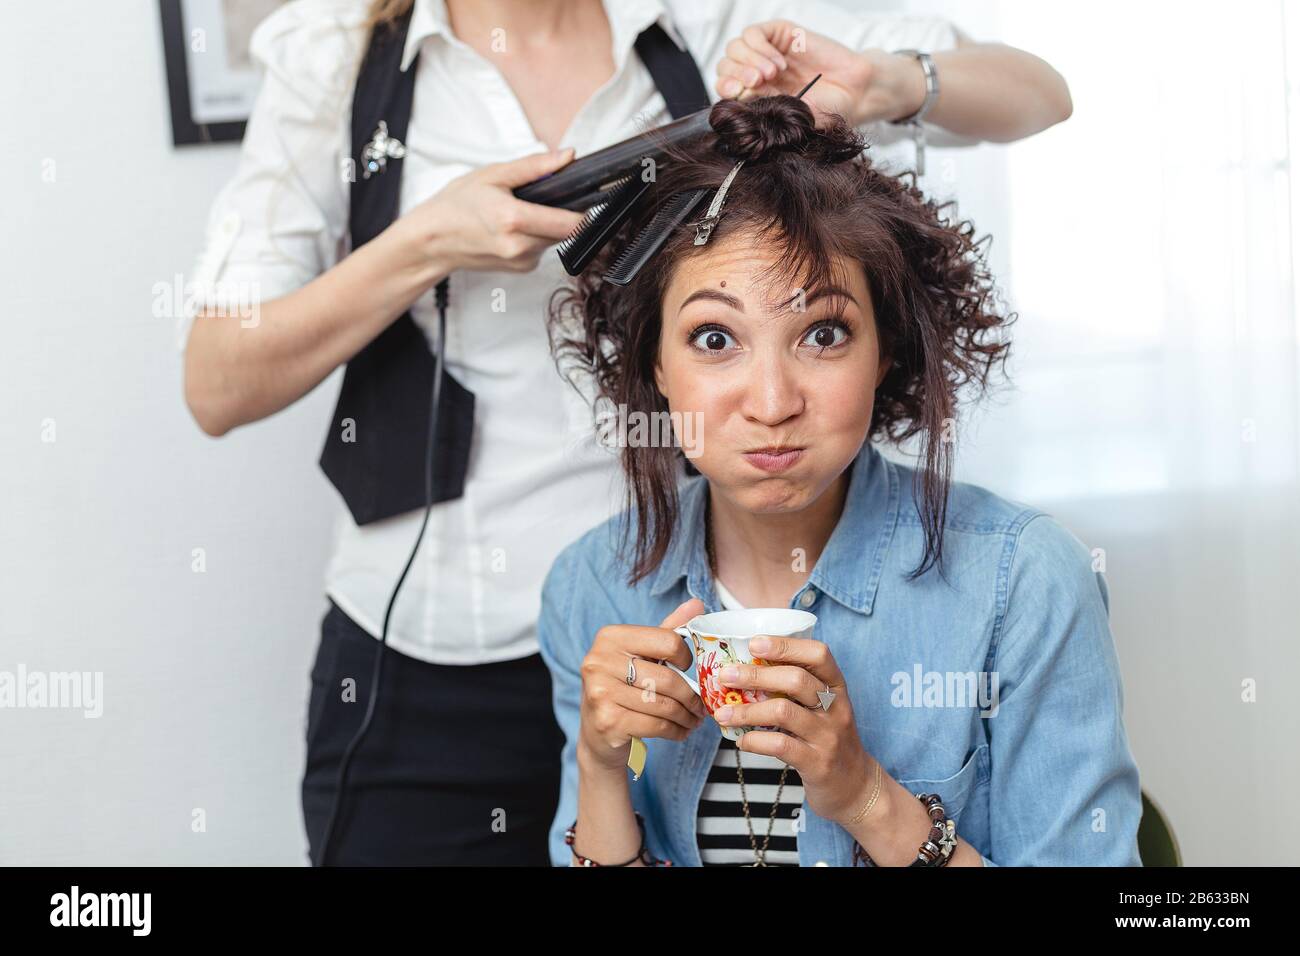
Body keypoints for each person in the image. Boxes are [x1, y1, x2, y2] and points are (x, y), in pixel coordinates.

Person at [179, 0, 1074, 865]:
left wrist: (877, 82)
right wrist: (426, 243)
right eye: (716, 339)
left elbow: (1038, 91)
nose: (771, 398)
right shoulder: (334, 55)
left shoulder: (711, 23)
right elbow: (218, 379)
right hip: (438, 655)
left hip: (677, 610)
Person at [538, 94, 1141, 867]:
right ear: (656, 364)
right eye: (715, 338)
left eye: (823, 334)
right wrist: (598, 766)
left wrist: (863, 793)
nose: (771, 402)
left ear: (884, 348)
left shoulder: (1023, 581)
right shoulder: (592, 584)